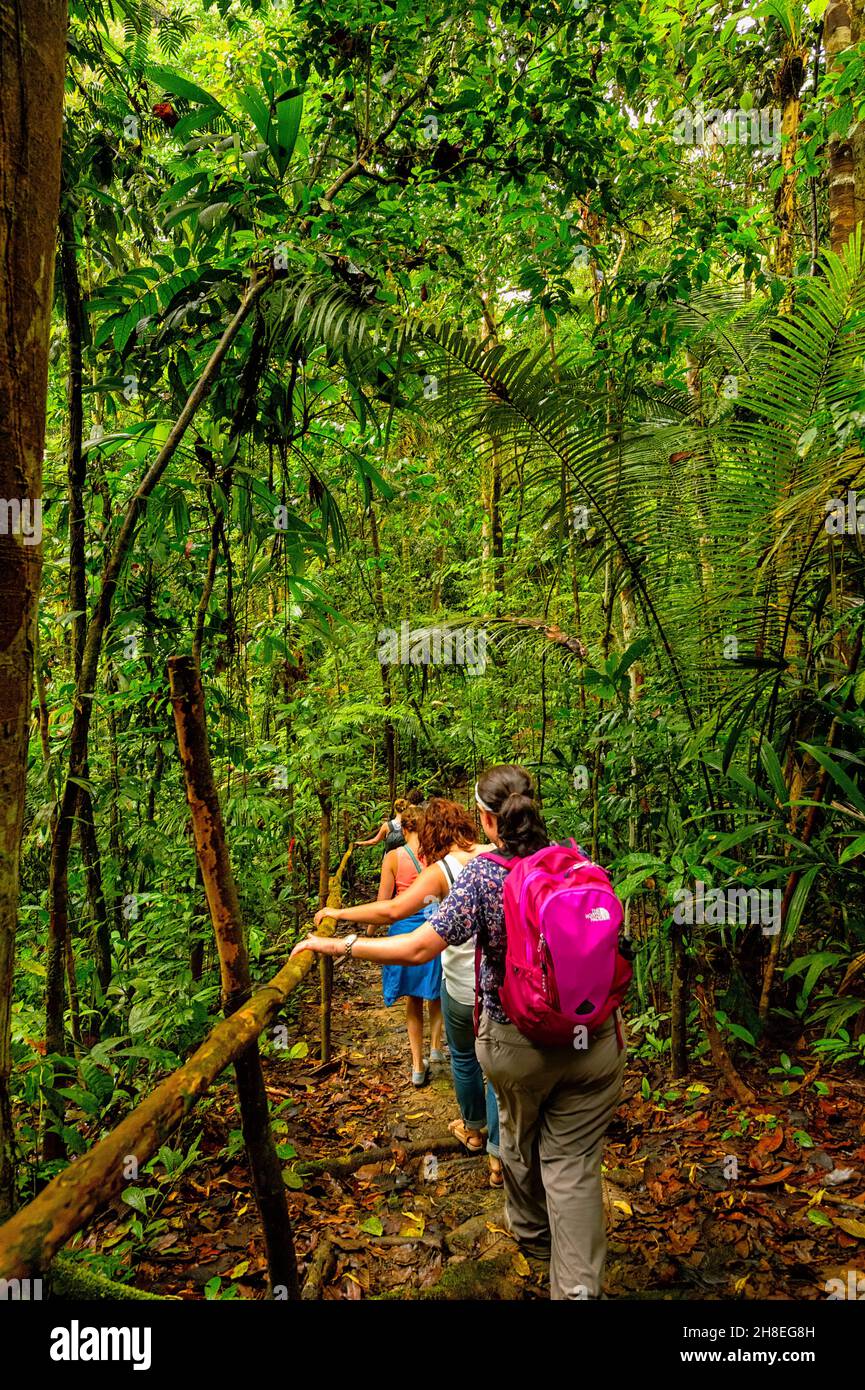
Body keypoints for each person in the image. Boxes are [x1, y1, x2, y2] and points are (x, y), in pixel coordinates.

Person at [293, 764, 626, 1300]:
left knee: (518, 1138)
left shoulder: (483, 875)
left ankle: (534, 1239)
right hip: (596, 1040)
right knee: (574, 1168)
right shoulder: (579, 860)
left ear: (486, 820)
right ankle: (577, 1289)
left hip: (520, 1043)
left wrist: (340, 945)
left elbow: (419, 944)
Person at [315, 797, 502, 1187]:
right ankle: (499, 1154)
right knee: (498, 1071)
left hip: (464, 985)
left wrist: (340, 915)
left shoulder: (443, 870)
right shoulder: (499, 854)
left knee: (465, 1057)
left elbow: (391, 911)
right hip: (503, 986)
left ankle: (473, 1129)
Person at [358, 801, 443, 1086]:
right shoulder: (438, 856)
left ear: (405, 828)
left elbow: (384, 902)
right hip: (435, 929)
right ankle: (436, 1048)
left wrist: (369, 932)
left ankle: (418, 1065)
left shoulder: (394, 857)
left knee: (413, 998)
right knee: (436, 991)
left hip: (404, 931)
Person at [355, 788, 423, 851]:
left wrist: (360, 843)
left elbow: (374, 841)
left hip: (390, 859)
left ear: (394, 809)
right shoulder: (410, 824)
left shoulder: (387, 826)